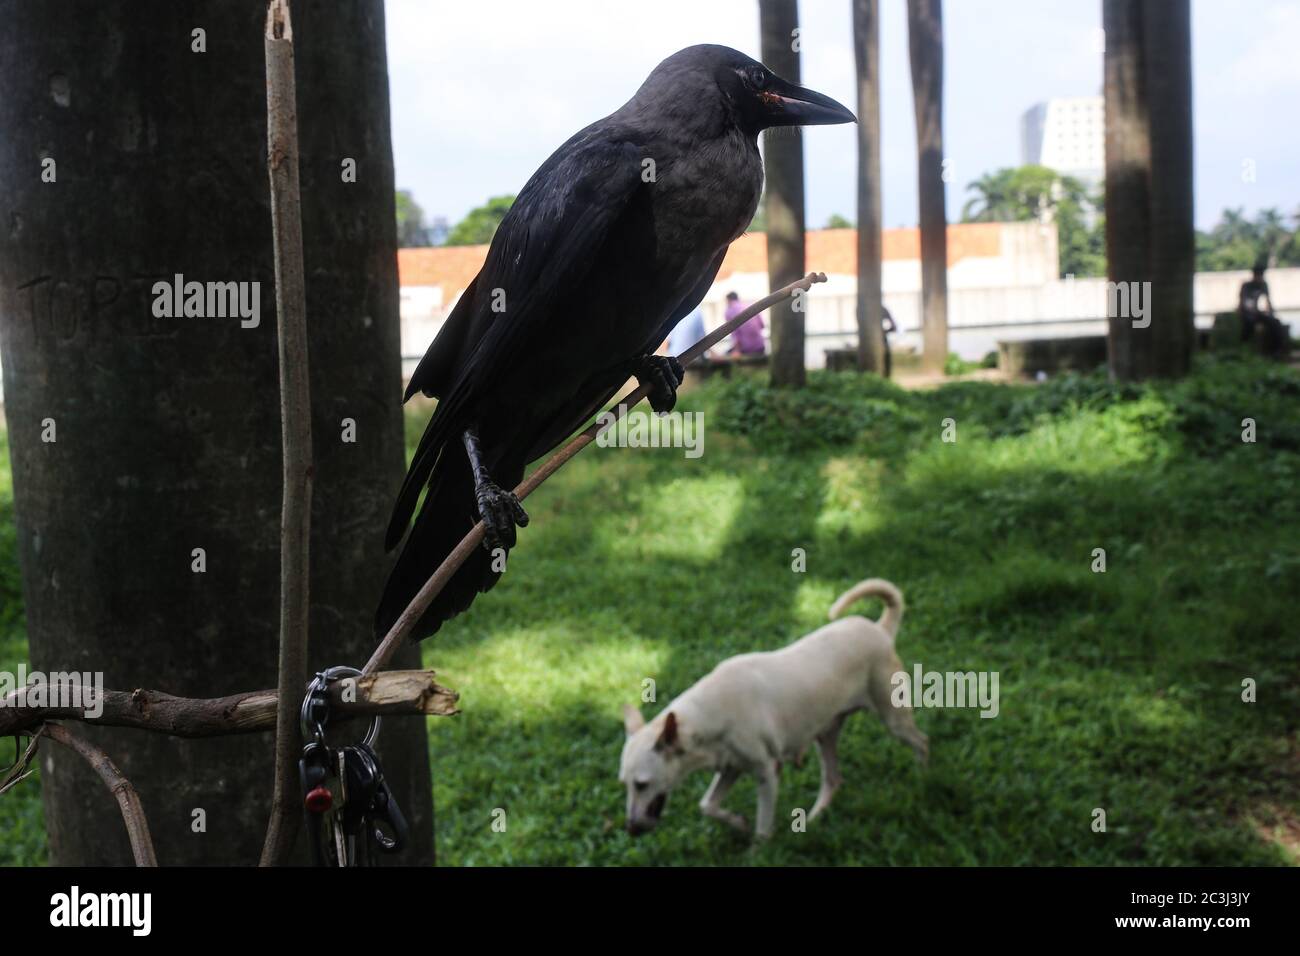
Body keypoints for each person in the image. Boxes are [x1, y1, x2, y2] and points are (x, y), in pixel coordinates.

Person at [1239, 262, 1287, 358]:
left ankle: (1277, 351)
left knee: (1275, 323)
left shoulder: (1263, 284)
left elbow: (1268, 301)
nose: (1260, 277)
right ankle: (1245, 350)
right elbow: (1243, 303)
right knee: (1248, 325)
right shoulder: (1246, 286)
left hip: (1257, 313)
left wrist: (1271, 313)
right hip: (1247, 314)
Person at [724, 291, 766, 357]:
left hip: (746, 349)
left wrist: (736, 350)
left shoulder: (729, 311)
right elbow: (762, 326)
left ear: (728, 300)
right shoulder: (750, 305)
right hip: (760, 346)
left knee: (725, 355)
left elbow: (735, 333)